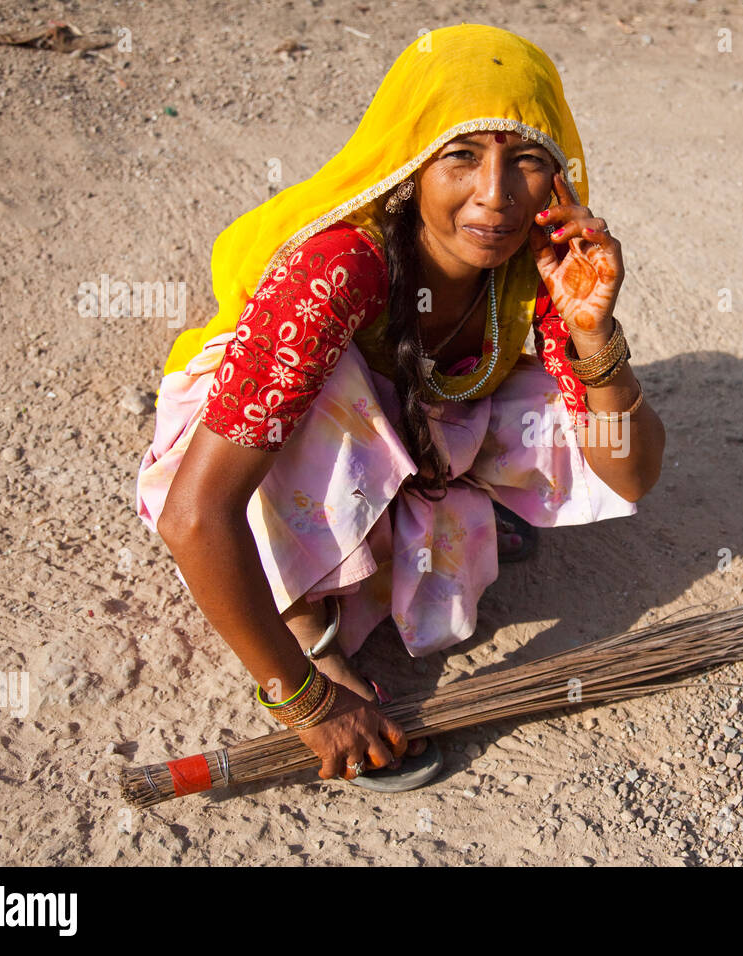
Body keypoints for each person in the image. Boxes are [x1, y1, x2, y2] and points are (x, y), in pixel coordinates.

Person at [134, 23, 666, 791]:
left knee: (553, 392)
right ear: (412, 168)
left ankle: (404, 517)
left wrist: (594, 331)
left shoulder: (536, 268)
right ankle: (307, 627)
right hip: (290, 426)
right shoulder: (338, 268)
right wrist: (308, 702)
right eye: (461, 156)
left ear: (559, 177)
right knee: (336, 399)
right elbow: (196, 515)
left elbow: (632, 474)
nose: (495, 195)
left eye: (525, 160)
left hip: (402, 422)